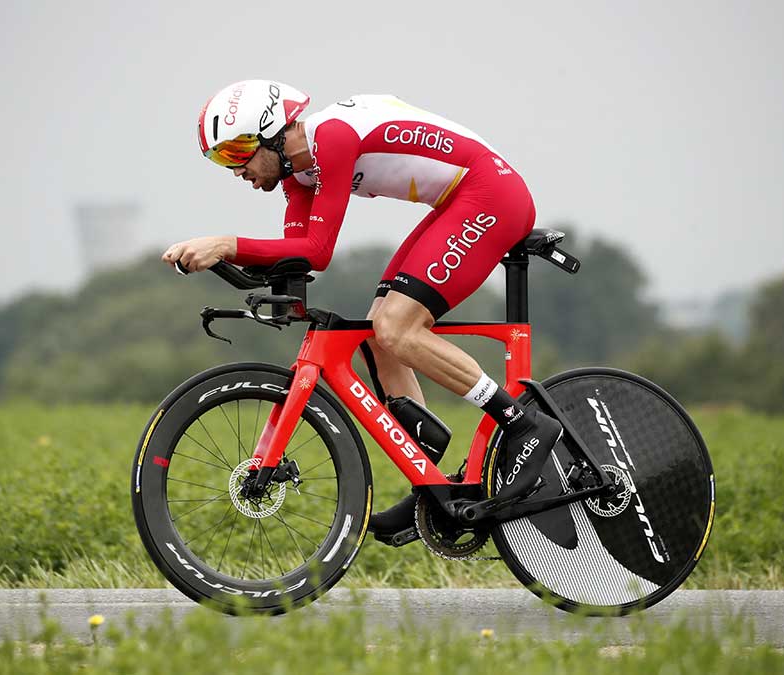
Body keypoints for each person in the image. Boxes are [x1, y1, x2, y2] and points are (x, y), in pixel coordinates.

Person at [162, 79, 562, 506]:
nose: (237, 170)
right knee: (378, 336)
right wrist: (242, 268)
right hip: (458, 200)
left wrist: (226, 244)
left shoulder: (332, 137)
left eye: (237, 152)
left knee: (396, 327)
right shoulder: (298, 175)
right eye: (223, 160)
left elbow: (317, 249)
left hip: (492, 195)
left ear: (273, 132)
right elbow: (300, 256)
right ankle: (433, 486)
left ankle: (522, 424)